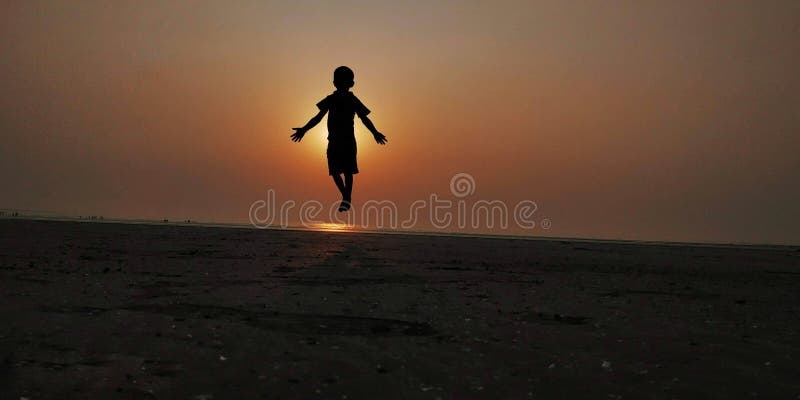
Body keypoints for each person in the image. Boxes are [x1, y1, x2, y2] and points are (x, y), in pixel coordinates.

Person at [291, 66, 388, 211]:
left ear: (350, 84)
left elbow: (364, 118)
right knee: (335, 171)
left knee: (348, 171)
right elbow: (318, 118)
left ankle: (346, 198)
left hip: (347, 141)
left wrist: (375, 132)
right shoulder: (331, 99)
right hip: (334, 141)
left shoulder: (352, 100)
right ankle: (346, 196)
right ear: (335, 83)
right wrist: (304, 129)